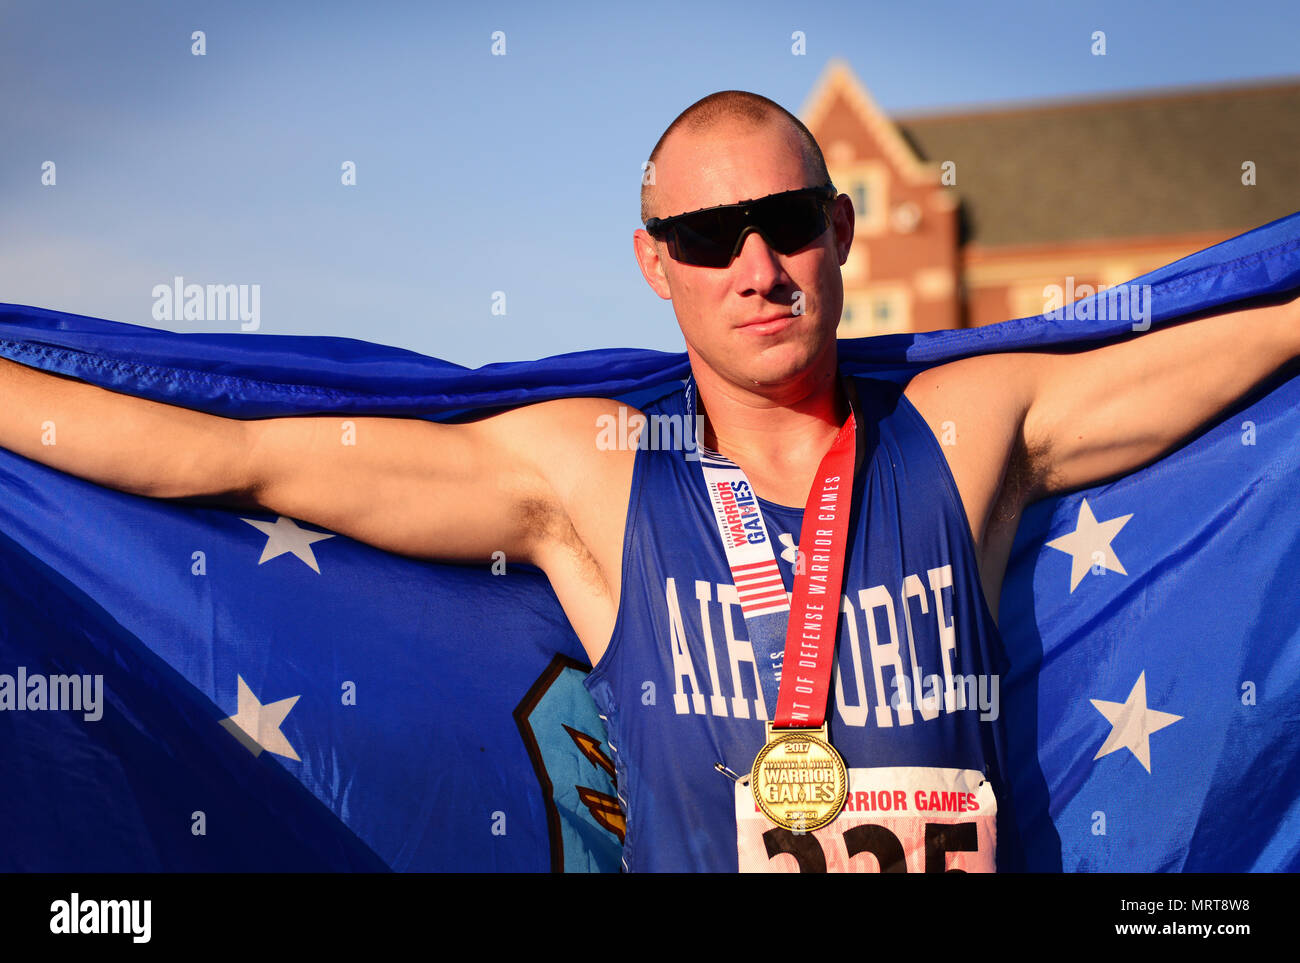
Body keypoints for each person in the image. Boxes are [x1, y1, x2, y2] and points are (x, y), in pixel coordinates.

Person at [0, 90, 1296, 872]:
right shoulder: (594, 475)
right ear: (652, 264)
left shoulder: (968, 428)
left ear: (839, 234)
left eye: (788, 223)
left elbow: (1248, 347)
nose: (757, 266)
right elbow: (235, 455)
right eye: (703, 237)